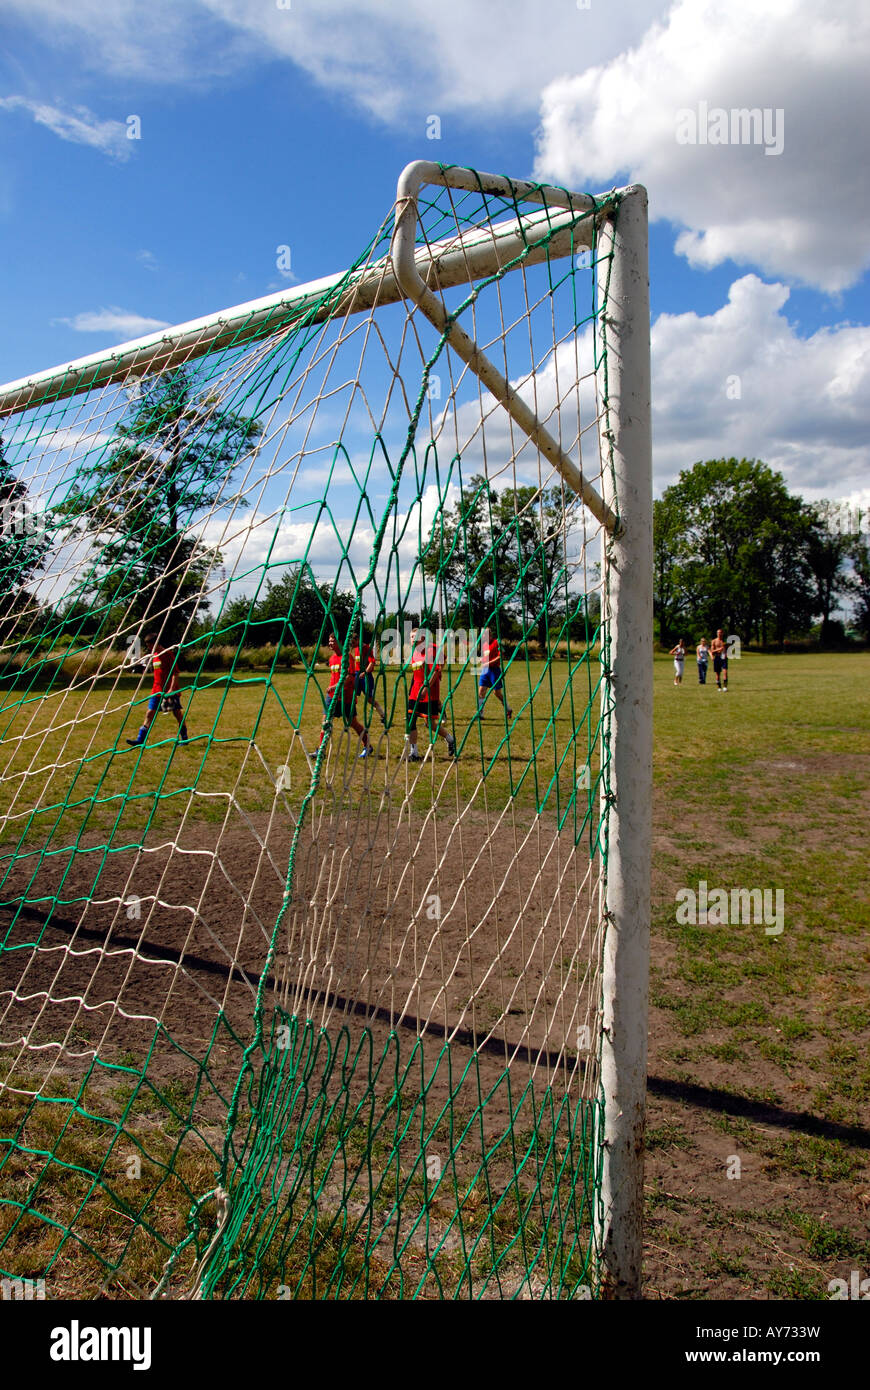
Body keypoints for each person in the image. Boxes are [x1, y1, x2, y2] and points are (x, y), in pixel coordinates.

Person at [126, 633, 190, 745]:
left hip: (170, 691)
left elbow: (175, 673)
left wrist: (171, 690)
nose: (149, 648)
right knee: (149, 713)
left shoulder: (168, 654)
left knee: (177, 713)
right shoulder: (154, 655)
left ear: (156, 643)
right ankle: (140, 740)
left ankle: (184, 738)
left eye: (150, 645)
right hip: (156, 690)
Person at [406, 623, 456, 762]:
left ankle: (450, 739)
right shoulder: (414, 652)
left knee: (430, 724)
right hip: (415, 691)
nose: (412, 639)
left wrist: (428, 686)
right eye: (410, 637)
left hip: (429, 692)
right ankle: (414, 753)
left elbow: (436, 668)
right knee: (410, 720)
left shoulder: (431, 650)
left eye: (414, 637)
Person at [321, 631, 371, 757]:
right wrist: (332, 689)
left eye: (333, 641)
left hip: (345, 697)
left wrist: (334, 687)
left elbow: (349, 677)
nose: (330, 643)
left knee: (353, 723)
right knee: (325, 721)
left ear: (340, 642)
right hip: (332, 697)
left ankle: (368, 746)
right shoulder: (332, 659)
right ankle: (321, 751)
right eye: (329, 641)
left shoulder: (347, 658)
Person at [352, 625, 386, 725]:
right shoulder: (356, 649)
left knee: (369, 699)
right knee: (352, 695)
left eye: (353, 642)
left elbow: (372, 662)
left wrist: (365, 672)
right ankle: (352, 718)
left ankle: (383, 715)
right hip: (357, 675)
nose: (352, 645)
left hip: (366, 676)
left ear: (358, 640)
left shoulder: (366, 648)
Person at [477, 628, 512, 718]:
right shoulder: (484, 644)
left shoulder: (497, 642)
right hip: (485, 670)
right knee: (481, 691)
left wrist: (489, 662)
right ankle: (480, 714)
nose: (482, 636)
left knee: (497, 693)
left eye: (484, 634)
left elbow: (501, 656)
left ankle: (508, 709)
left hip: (494, 670)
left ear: (489, 634)